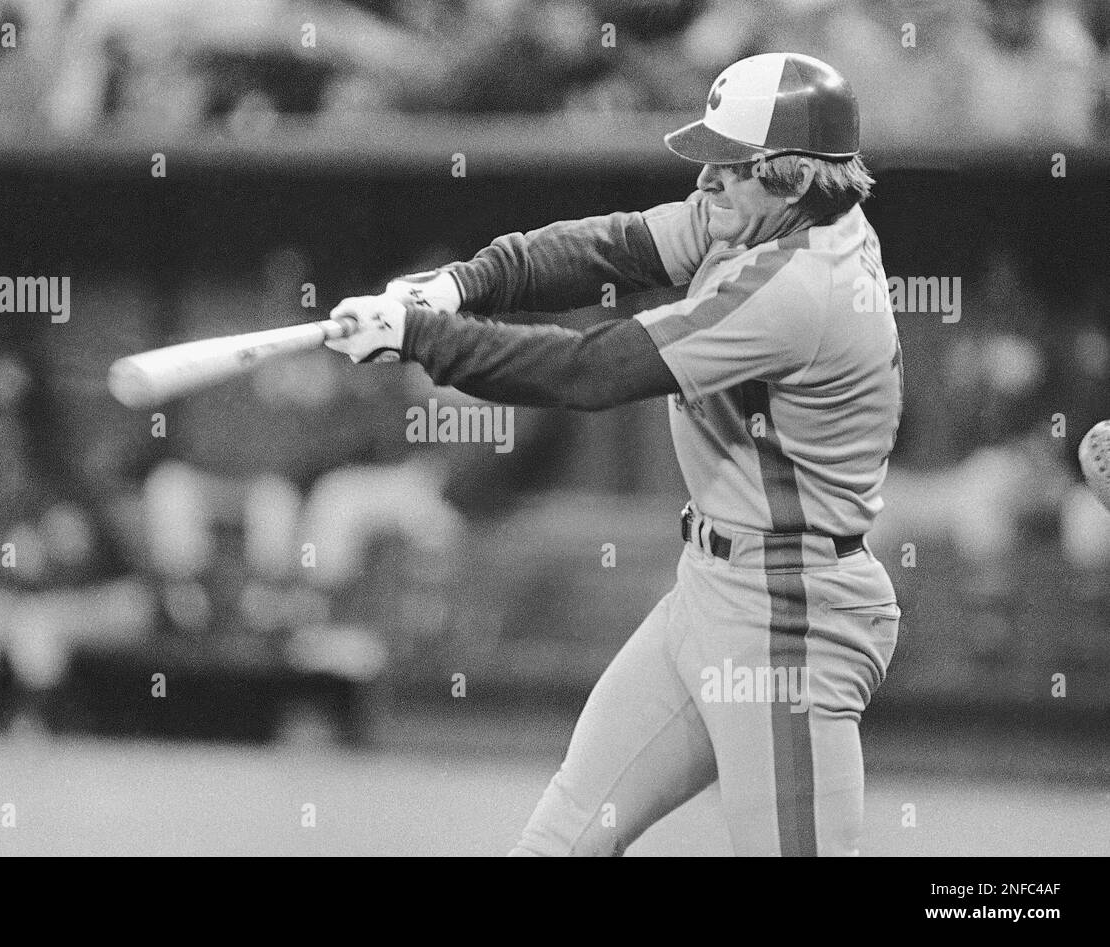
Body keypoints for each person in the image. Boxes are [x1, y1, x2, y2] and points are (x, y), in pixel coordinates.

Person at [326, 53, 904, 856]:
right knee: (559, 841)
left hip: (789, 621)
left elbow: (591, 370)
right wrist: (457, 287)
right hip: (715, 589)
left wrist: (423, 339)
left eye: (729, 168)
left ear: (794, 177)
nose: (705, 183)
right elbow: (611, 248)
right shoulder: (767, 214)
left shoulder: (801, 287)